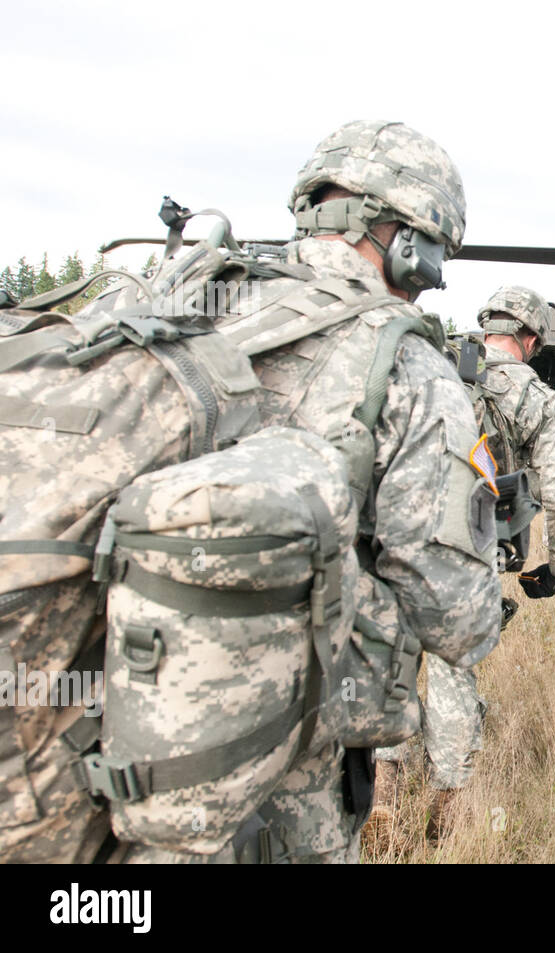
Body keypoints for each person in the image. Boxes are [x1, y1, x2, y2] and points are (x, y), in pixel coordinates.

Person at [132, 120, 502, 862]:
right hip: (288, 765)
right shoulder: (410, 368)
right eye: (437, 250)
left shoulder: (178, 306)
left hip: (129, 724)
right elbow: (458, 620)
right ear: (405, 240)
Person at [372, 284, 555, 838]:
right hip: (471, 543)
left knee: (393, 657)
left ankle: (384, 793)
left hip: (395, 533)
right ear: (531, 338)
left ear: (487, 326)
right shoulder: (536, 398)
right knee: (451, 671)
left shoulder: (430, 363)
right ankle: (448, 806)